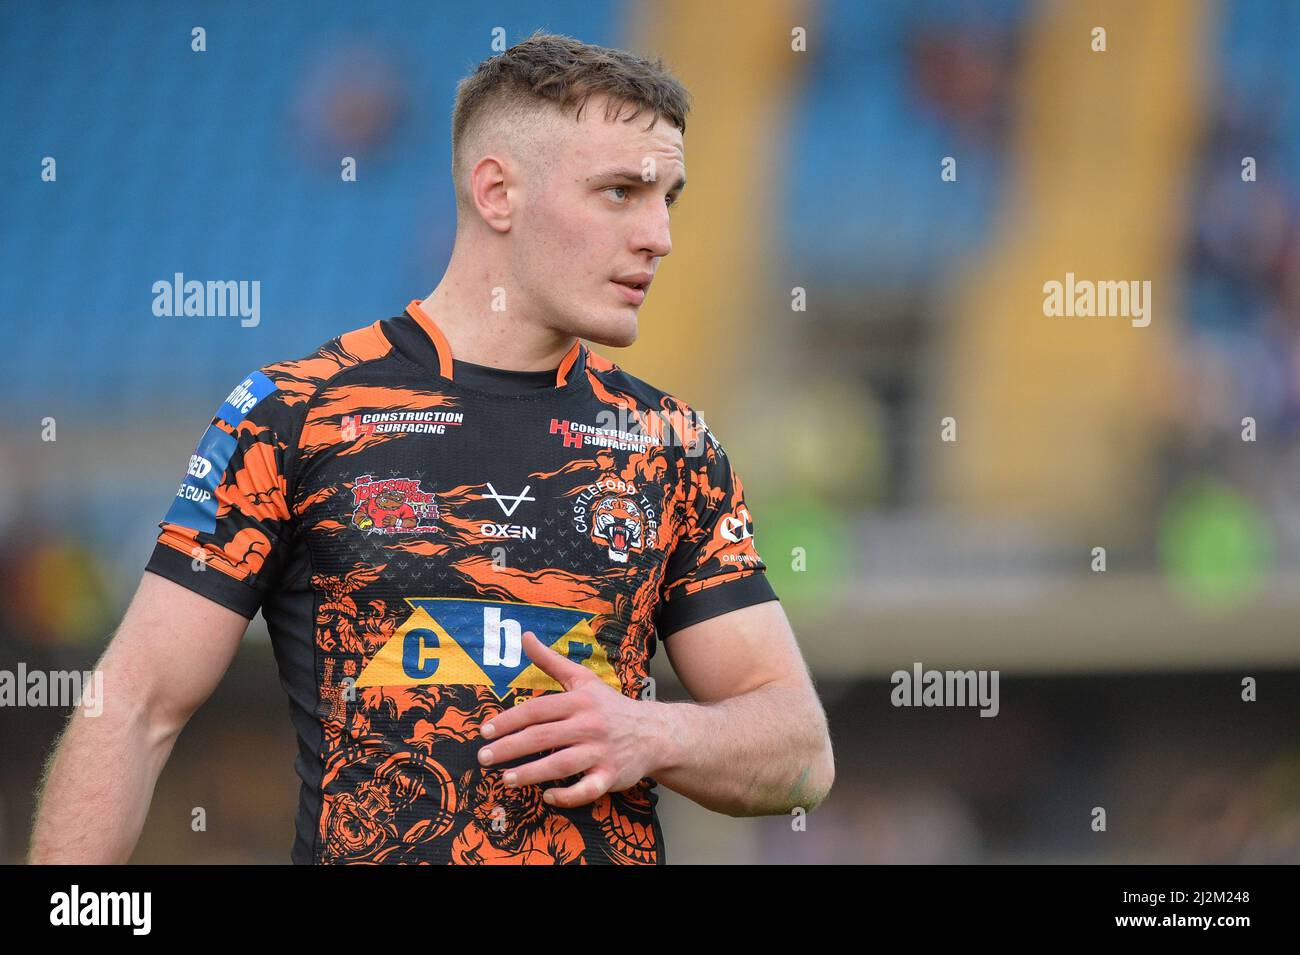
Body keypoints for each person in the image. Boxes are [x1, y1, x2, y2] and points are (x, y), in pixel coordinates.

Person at [29, 31, 834, 865]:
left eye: (670, 196)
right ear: (496, 192)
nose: (659, 235)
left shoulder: (670, 444)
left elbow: (801, 752)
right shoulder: (293, 415)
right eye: (622, 192)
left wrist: (652, 730)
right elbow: (131, 706)